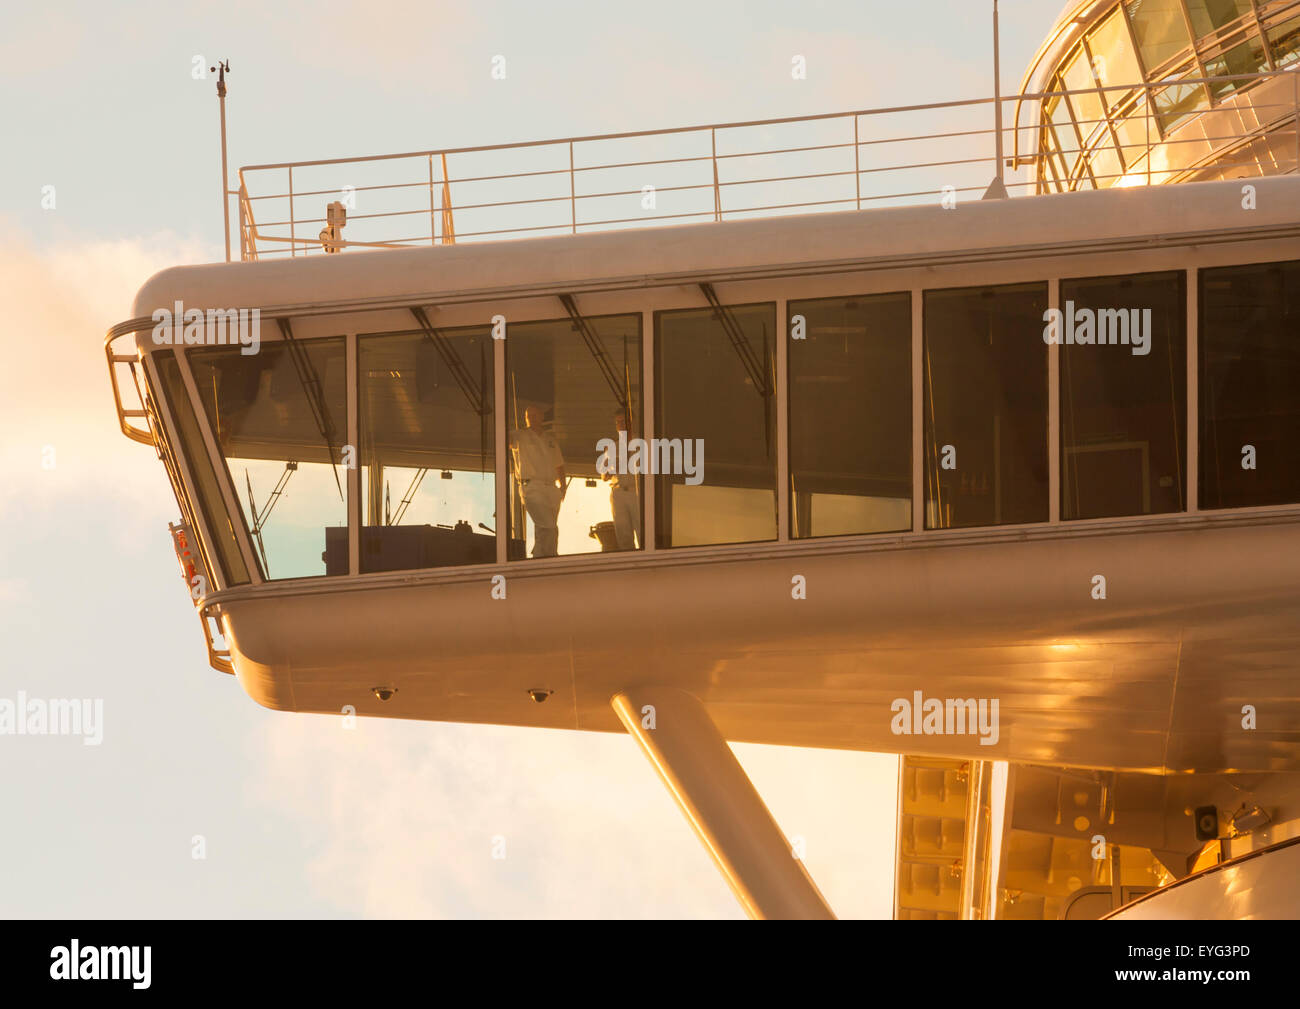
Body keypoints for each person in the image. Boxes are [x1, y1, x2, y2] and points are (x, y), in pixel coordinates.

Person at [510, 405, 565, 557]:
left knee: (544, 528)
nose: (531, 419)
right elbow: (505, 441)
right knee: (548, 526)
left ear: (541, 417)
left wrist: (563, 486)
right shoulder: (519, 436)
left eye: (534, 415)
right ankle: (550, 559)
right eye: (528, 416)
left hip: (552, 489)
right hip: (532, 487)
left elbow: (559, 464)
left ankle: (539, 556)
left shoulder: (550, 439)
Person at [603, 411, 640, 551]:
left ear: (631, 422)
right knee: (623, 534)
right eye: (617, 422)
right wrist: (610, 470)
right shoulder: (612, 446)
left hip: (635, 490)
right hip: (618, 491)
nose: (620, 425)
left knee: (643, 532)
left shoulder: (641, 442)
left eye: (623, 421)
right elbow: (603, 475)